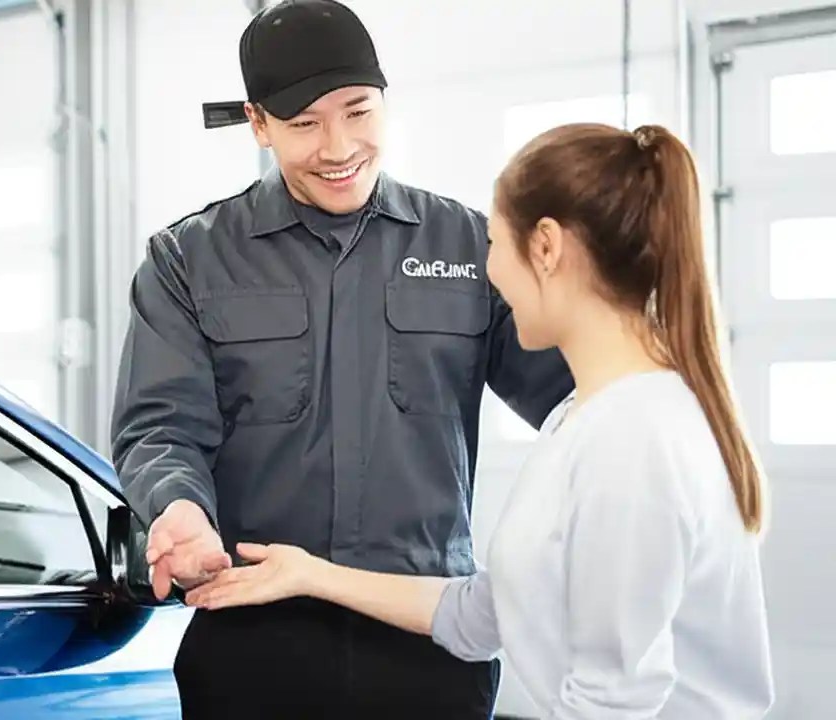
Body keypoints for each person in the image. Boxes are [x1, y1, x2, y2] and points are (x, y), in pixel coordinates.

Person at [184, 122, 777, 719]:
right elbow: (478, 616)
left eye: (494, 242)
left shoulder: (633, 440)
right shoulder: (586, 419)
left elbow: (613, 703)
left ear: (545, 247)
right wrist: (311, 575)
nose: (485, 270)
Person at [110, 0, 574, 716]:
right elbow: (160, 427)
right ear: (257, 123)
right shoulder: (188, 261)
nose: (337, 147)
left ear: (385, 102)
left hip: (428, 642)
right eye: (304, 124)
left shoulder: (472, 247)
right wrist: (177, 509)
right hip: (253, 647)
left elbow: (578, 403)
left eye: (358, 112)